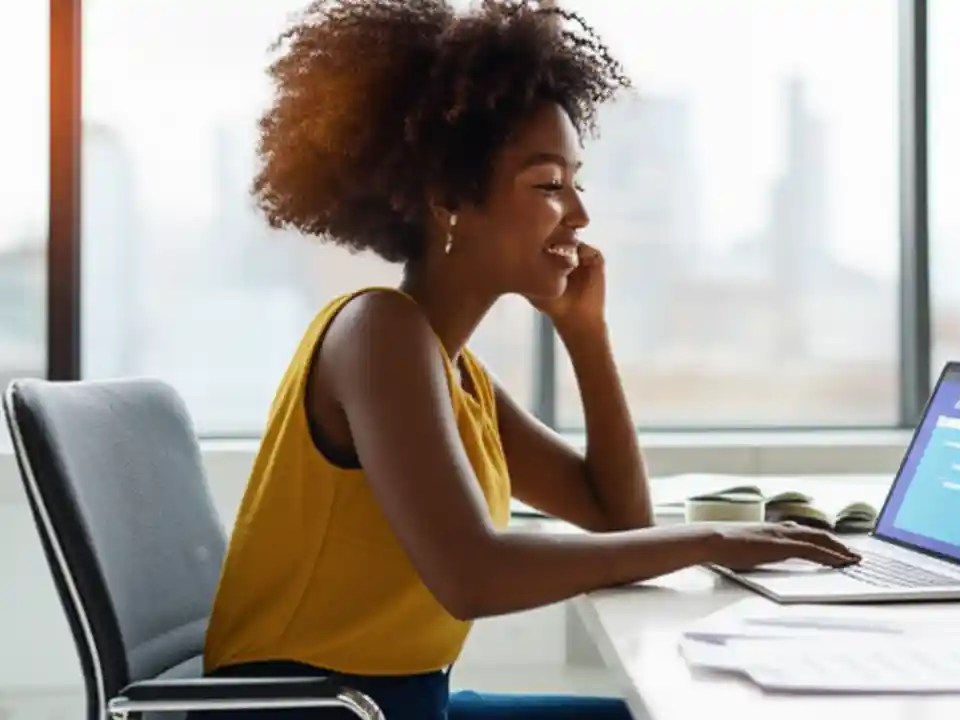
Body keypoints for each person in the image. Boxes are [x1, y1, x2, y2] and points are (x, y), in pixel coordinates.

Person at [198, 1, 860, 718]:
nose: (577, 212)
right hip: (315, 714)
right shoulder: (378, 333)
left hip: (397, 706)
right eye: (548, 185)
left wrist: (584, 333)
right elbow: (472, 574)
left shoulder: (452, 370)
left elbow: (618, 516)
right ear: (449, 198)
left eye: (577, 182)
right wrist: (710, 540)